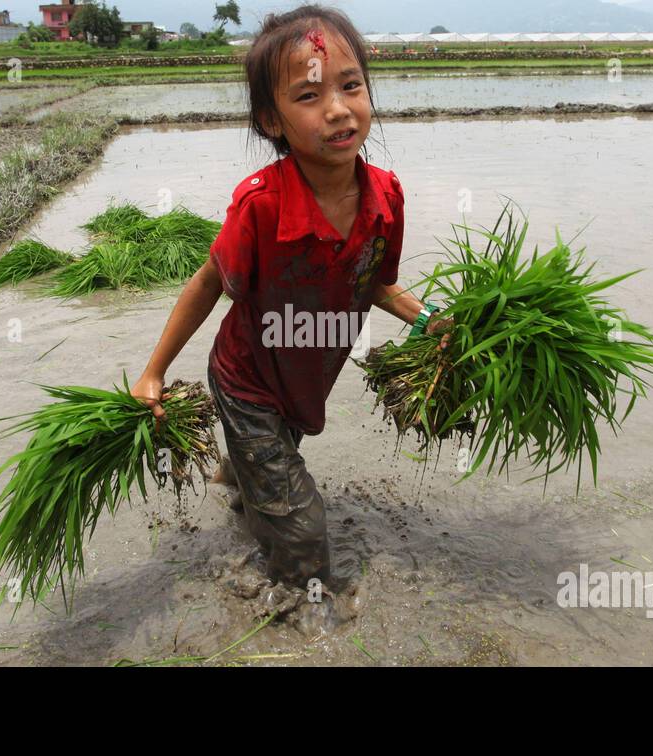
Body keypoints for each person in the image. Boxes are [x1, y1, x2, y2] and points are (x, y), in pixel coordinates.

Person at [131, 4, 451, 592]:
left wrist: (429, 318)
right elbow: (207, 283)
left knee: (268, 486)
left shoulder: (386, 198)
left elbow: (374, 281)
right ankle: (299, 614)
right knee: (302, 529)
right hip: (249, 380)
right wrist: (153, 373)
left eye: (351, 86)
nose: (337, 109)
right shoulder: (262, 206)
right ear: (271, 121)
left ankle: (243, 479)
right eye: (308, 97)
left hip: (305, 378)